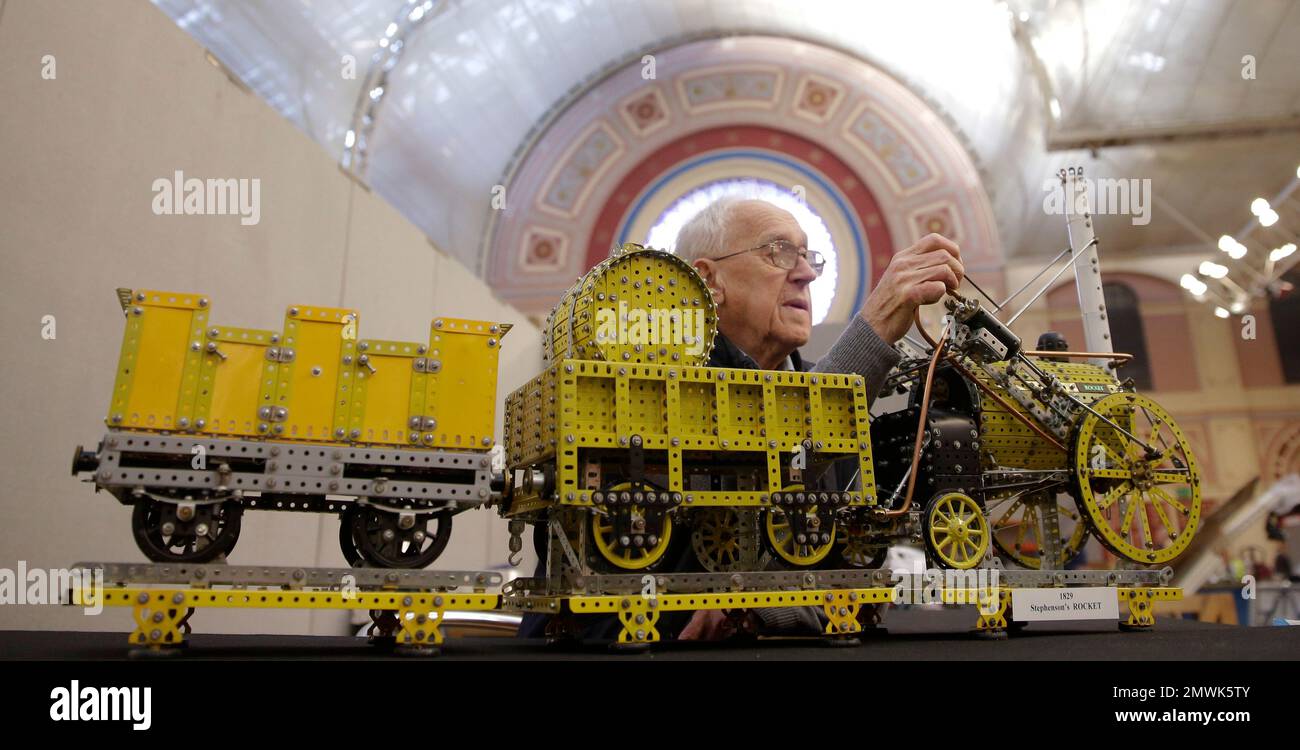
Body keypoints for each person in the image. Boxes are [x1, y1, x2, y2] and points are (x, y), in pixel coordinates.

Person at [517, 196, 964, 641]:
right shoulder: (648, 391)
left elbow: (852, 582)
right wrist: (876, 327)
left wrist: (765, 610)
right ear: (708, 281)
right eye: (779, 251)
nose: (806, 273)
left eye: (808, 256)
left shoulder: (844, 401)